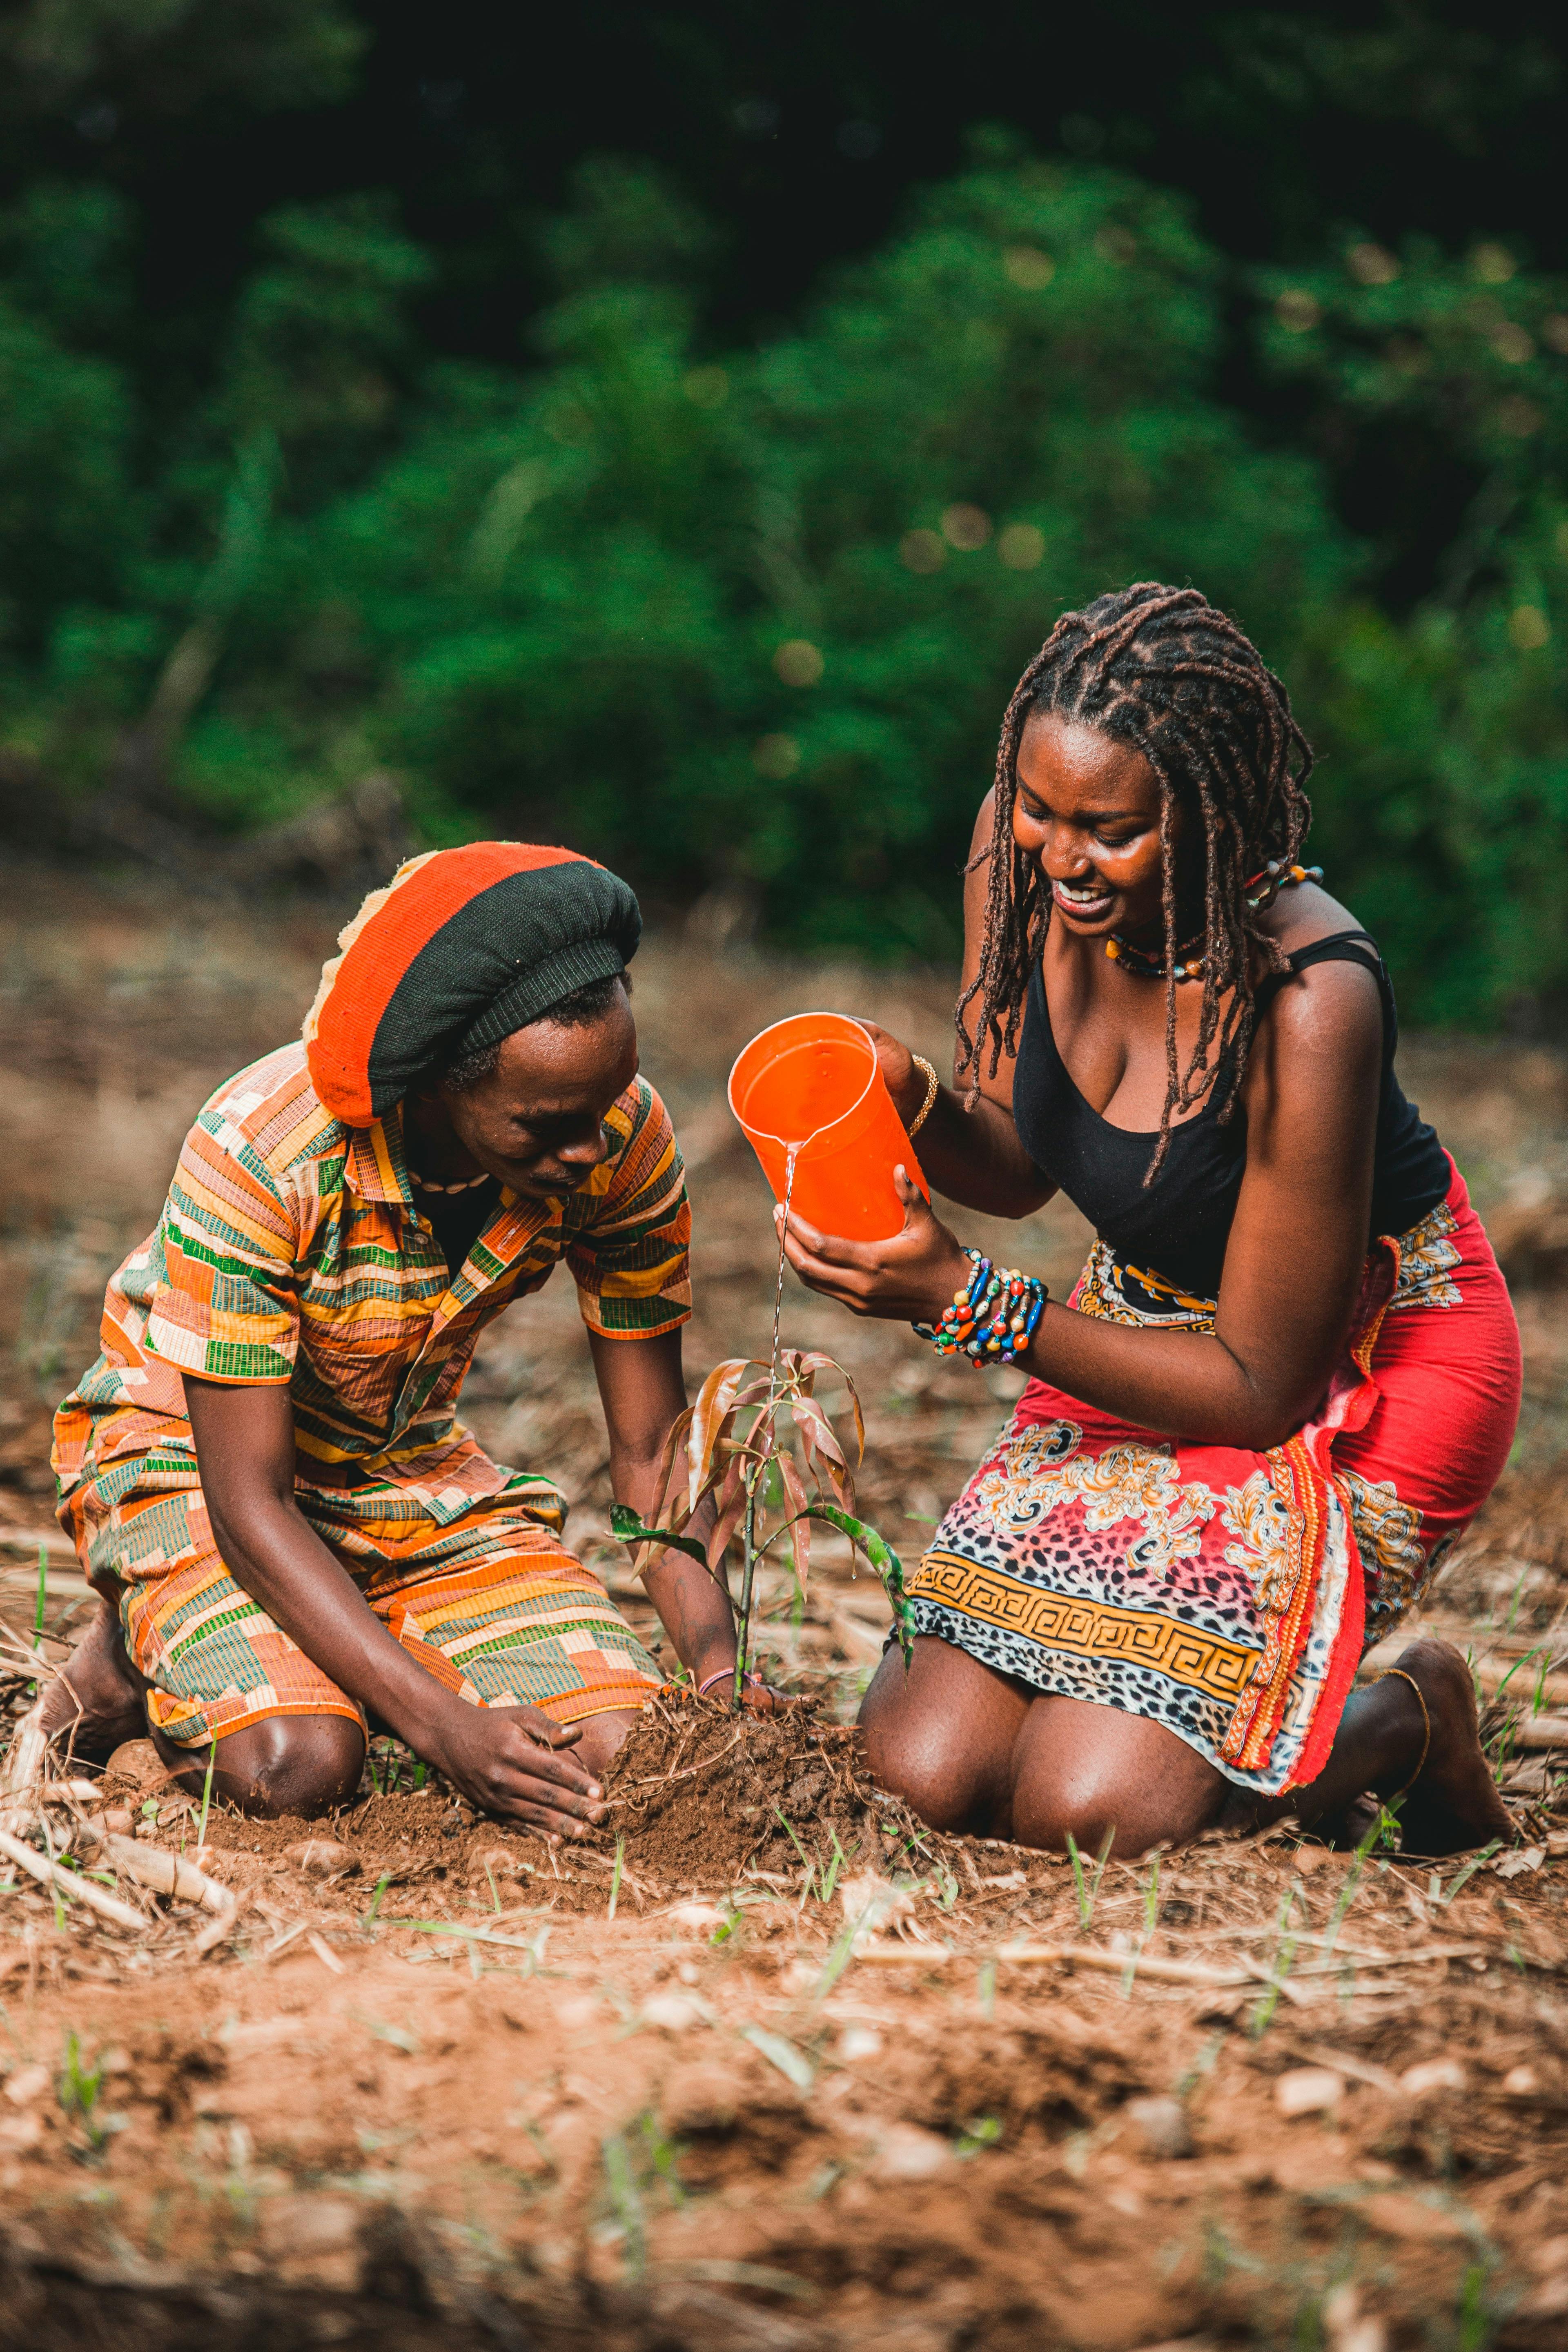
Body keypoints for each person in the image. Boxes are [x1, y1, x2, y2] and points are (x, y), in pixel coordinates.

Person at [779, 584, 1522, 1860]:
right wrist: (902, 1097)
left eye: (1109, 831)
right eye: (1038, 808)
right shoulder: (1028, 865)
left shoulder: (1307, 999)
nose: (1060, 858)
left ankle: (1411, 1718)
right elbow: (1018, 1160)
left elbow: (1255, 1391)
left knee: (1095, 1811)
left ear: (1216, 826)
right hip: (1142, 1326)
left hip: (1357, 1366)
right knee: (920, 1775)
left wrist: (970, 1302)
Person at [48, 842, 748, 1838]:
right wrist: (445, 1728)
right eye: (548, 1125)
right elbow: (250, 1503)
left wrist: (718, 1673)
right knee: (297, 1766)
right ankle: (139, 1644)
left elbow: (648, 1453)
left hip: (398, 1471)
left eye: (606, 1106)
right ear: (433, 1087)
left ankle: (279, 1649)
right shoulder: (262, 1152)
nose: (591, 1148)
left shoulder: (618, 1139)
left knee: (622, 1754)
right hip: (192, 1467)